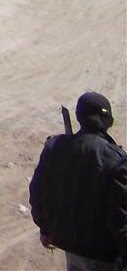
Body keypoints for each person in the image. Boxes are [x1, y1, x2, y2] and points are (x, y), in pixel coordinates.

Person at [30, 92, 127, 271]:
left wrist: (45, 228)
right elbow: (120, 218)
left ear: (79, 117)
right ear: (108, 120)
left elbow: (38, 192)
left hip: (70, 248)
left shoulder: (55, 148)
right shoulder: (116, 160)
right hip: (104, 256)